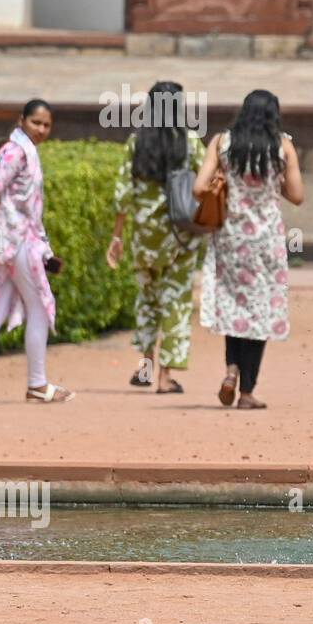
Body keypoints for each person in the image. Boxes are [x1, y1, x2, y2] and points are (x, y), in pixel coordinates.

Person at [194, 89, 304, 409]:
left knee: (234, 305)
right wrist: (274, 180)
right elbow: (297, 195)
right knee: (260, 310)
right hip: (266, 240)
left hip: (230, 237)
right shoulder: (282, 146)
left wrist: (223, 178)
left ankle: (230, 370)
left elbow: (198, 188)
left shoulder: (221, 143)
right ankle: (246, 392)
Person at [0, 99, 73, 404]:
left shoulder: (22, 150)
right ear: (22, 120)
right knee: (39, 305)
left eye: (47, 125)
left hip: (8, 240)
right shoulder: (16, 151)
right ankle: (37, 384)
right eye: (36, 123)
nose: (41, 130)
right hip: (13, 240)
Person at [106, 81, 206, 394]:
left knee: (147, 300)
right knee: (176, 303)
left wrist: (117, 237)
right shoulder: (189, 142)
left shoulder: (137, 142)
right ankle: (165, 377)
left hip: (144, 238)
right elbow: (206, 182)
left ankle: (146, 368)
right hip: (180, 236)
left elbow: (122, 194)